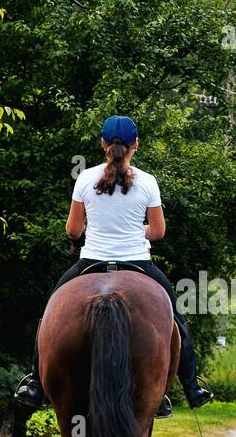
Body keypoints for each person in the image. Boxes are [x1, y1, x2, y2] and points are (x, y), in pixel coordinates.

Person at [14, 115, 213, 417]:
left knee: (49, 313)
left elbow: (72, 230)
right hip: (138, 264)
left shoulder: (84, 178)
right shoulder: (148, 181)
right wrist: (136, 231)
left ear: (103, 144)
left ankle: (34, 385)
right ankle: (191, 386)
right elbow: (158, 232)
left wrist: (94, 229)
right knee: (177, 318)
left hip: (90, 262)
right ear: (136, 145)